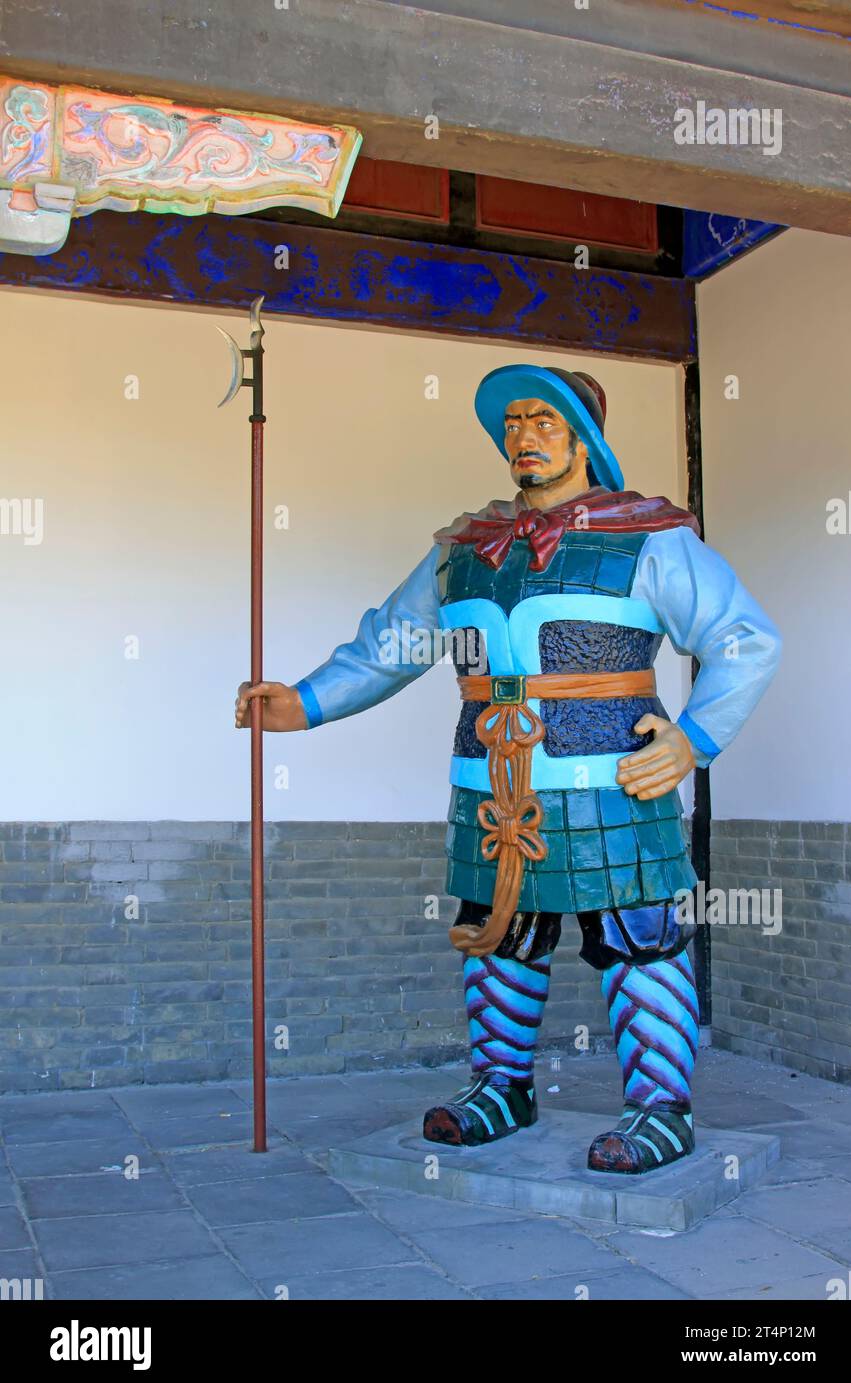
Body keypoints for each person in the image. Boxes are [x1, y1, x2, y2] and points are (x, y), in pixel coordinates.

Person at [235, 363, 781, 1173]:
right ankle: (502, 1087)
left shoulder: (650, 539)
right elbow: (394, 646)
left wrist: (694, 739)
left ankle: (660, 1108)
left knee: (640, 938)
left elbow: (743, 638)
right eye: (513, 424)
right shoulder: (463, 551)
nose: (523, 437)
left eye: (544, 421)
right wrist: (306, 702)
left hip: (614, 787)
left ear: (585, 439)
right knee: (496, 937)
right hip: (491, 790)